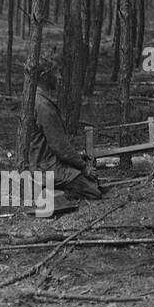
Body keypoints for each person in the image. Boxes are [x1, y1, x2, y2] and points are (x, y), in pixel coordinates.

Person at [25, 57, 102, 210]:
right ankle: (58, 193)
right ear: (44, 77)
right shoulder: (43, 106)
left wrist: (78, 159)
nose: (59, 78)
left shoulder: (35, 99)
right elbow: (60, 147)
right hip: (46, 168)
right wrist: (84, 167)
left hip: (40, 163)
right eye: (56, 73)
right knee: (93, 190)